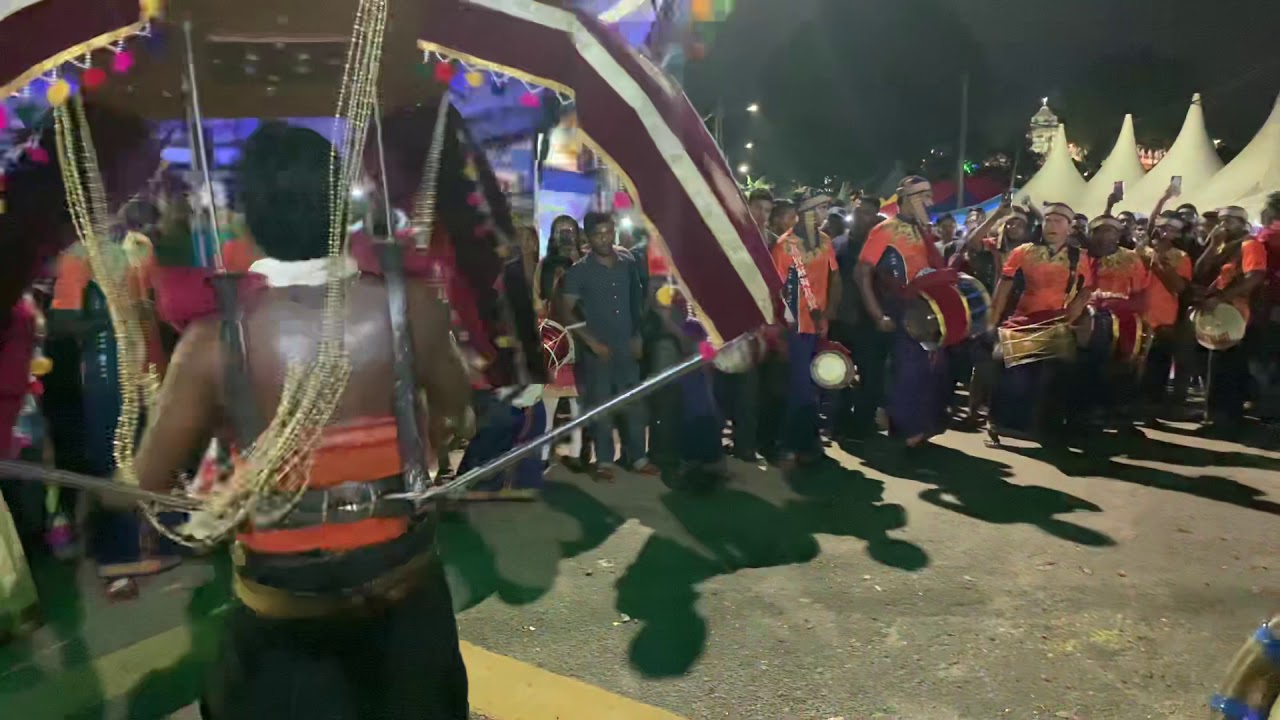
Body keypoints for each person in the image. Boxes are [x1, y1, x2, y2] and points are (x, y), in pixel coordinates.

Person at [129, 125, 476, 718]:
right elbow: (458, 420)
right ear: (345, 209)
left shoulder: (212, 343)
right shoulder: (412, 306)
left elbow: (145, 482)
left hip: (282, 625)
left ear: (245, 217)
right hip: (407, 602)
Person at [987, 202, 1094, 447]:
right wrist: (991, 322)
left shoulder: (1079, 256)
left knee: (1055, 375)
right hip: (1023, 319)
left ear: (1069, 228)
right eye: (1048, 220)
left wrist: (1074, 311)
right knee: (1009, 367)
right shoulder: (1023, 252)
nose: (1051, 226)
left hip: (1056, 320)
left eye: (1058, 221)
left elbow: (1087, 288)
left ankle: (1045, 426)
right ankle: (1001, 422)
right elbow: (1003, 288)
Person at [562, 212, 659, 481]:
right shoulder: (579, 270)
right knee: (601, 406)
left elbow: (637, 301)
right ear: (588, 237)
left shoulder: (629, 261)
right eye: (598, 234)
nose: (604, 238)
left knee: (634, 404)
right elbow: (566, 311)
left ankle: (638, 457)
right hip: (598, 351)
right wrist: (591, 342)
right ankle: (604, 462)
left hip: (628, 345)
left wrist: (638, 335)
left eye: (608, 232)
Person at [855, 176, 949, 447]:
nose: (930, 202)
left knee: (930, 369)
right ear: (907, 199)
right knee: (909, 369)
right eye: (924, 196)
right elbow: (862, 273)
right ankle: (906, 429)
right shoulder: (885, 230)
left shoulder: (924, 230)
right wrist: (877, 315)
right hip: (899, 307)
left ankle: (918, 424)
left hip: (925, 307)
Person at [1194, 206, 1267, 431]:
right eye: (1221, 221)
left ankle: (1223, 419)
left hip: (1236, 312)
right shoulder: (1221, 246)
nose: (1224, 225)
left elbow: (1255, 277)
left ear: (1242, 223)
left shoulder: (1249, 244)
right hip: (1215, 310)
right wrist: (1212, 246)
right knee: (1214, 365)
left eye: (1230, 221)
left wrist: (1223, 297)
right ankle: (1217, 414)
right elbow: (1199, 272)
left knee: (1225, 366)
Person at [1078, 215, 1150, 429]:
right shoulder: (1081, 257)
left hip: (1123, 315)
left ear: (1118, 235)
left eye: (1110, 231)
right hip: (1087, 316)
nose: (1104, 236)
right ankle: (1088, 409)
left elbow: (1139, 292)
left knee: (1123, 363)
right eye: (1099, 231)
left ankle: (1118, 411)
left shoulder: (1131, 258)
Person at [1138, 215, 1193, 422]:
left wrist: (1159, 261)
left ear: (1177, 234)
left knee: (1156, 369)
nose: (1162, 231)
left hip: (1163, 321)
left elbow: (1178, 287)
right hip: (1137, 318)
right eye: (1160, 226)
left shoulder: (1181, 257)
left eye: (1169, 228)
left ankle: (1150, 412)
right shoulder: (1140, 252)